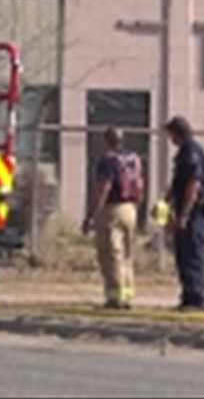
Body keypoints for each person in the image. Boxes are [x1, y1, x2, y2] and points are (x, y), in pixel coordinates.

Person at [83, 126, 143, 309]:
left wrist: (91, 214)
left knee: (111, 254)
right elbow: (140, 184)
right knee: (127, 254)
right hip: (131, 208)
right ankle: (127, 295)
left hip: (113, 209)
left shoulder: (109, 161)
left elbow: (104, 188)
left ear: (106, 141)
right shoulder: (133, 159)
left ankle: (115, 297)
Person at [163, 115, 204, 311]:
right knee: (182, 256)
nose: (170, 139)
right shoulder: (184, 152)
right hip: (184, 212)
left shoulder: (192, 152)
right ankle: (187, 296)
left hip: (193, 214)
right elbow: (177, 182)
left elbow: (193, 184)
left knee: (193, 255)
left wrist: (184, 214)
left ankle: (197, 298)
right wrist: (165, 201)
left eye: (171, 135)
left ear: (177, 133)